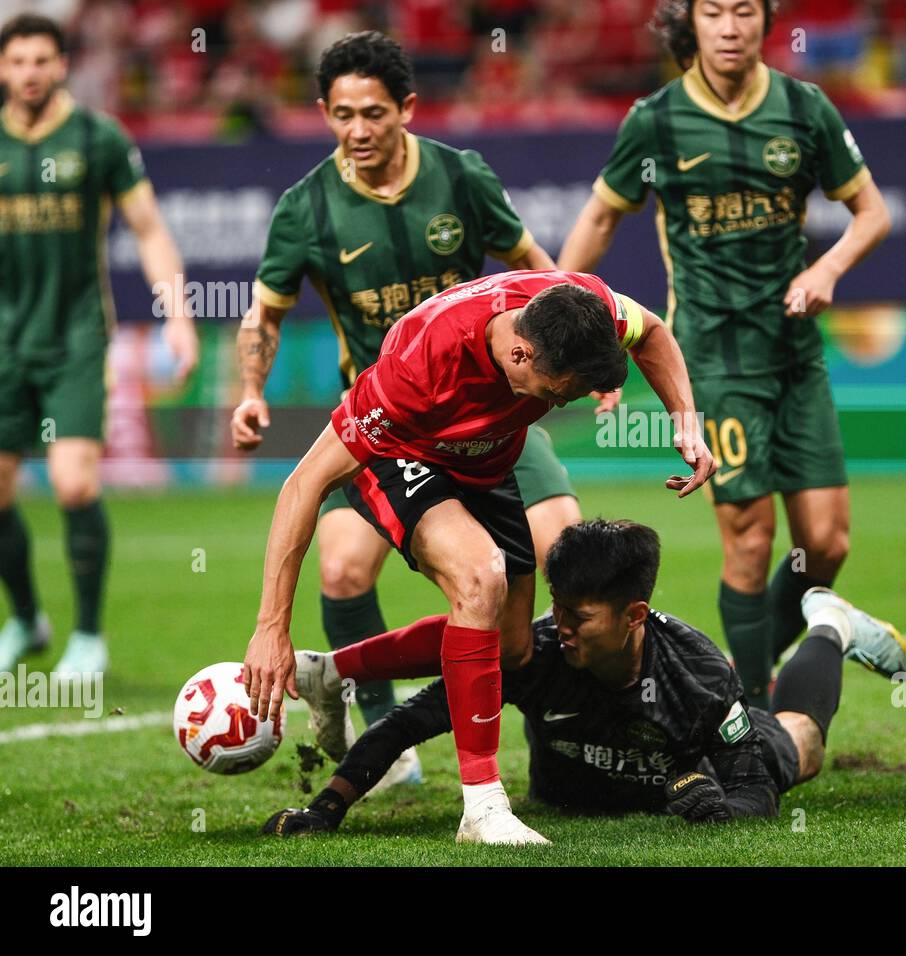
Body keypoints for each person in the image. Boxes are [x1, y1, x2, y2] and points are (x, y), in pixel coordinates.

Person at [241, 269, 714, 845]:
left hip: (484, 459)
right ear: (521, 352)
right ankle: (483, 807)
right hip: (404, 457)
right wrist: (271, 628)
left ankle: (330, 671)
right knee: (480, 577)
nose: (563, 402)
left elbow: (654, 332)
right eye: (560, 390)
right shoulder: (419, 371)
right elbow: (302, 485)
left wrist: (686, 423)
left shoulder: (583, 305)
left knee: (511, 647)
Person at [230, 31, 579, 789]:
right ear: (324, 113)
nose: (357, 131)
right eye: (342, 114)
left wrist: (571, 344)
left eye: (374, 114)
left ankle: (560, 724)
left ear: (408, 110)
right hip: (394, 426)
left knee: (568, 547)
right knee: (344, 566)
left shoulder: (460, 177)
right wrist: (252, 390)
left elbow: (534, 269)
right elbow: (263, 316)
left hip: (497, 411)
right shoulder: (305, 209)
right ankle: (385, 729)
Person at [557, 0, 891, 709]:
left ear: (766, 21)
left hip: (796, 354)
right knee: (749, 535)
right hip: (711, 356)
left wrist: (827, 270)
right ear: (696, 24)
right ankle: (755, 710)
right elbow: (601, 217)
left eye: (744, 11)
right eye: (715, 12)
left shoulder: (804, 109)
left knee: (826, 545)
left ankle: (749, 672)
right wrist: (568, 326)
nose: (731, 26)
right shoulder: (657, 119)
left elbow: (873, 212)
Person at [262, 519, 906, 835]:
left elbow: (751, 788)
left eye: (579, 615)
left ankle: (830, 624)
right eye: (555, 608)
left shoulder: (698, 676)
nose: (560, 626)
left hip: (716, 754)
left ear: (634, 615)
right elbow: (411, 721)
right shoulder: (537, 654)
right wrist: (328, 807)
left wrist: (719, 810)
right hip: (570, 796)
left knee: (804, 742)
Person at [0, 13, 198, 677]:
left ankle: (87, 636)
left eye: (41, 60)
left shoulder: (97, 138)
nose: (29, 72)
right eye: (17, 61)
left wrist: (177, 314)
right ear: (4, 69)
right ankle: (27, 621)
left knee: (74, 483)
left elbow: (148, 229)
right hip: (3, 342)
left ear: (62, 66)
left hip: (76, 337)